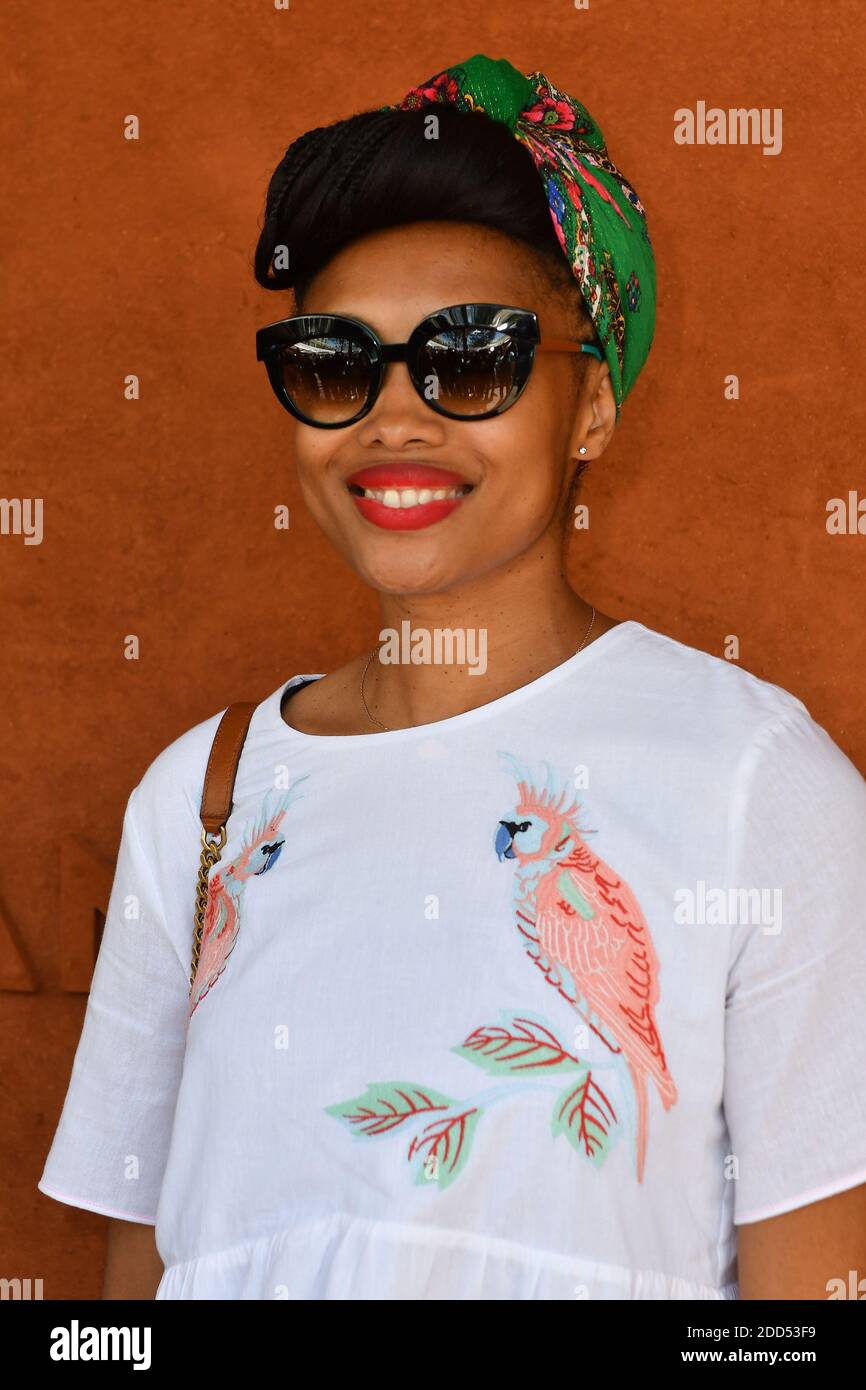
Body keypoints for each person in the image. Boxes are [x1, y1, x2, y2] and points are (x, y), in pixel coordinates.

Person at [38, 53, 866, 1301]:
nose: (393, 419)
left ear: (589, 406)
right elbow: (130, 1304)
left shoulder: (758, 784)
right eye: (333, 363)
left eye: (468, 357)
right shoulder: (204, 795)